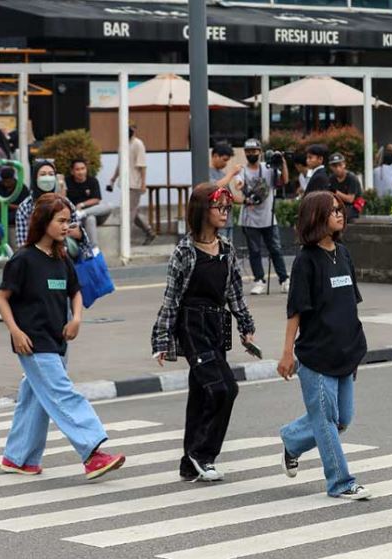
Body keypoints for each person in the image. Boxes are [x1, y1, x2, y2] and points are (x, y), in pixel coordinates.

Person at [0, 192, 126, 480]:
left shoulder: (61, 257)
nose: (66, 226)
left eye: (69, 221)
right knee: (62, 394)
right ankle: (92, 452)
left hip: (58, 342)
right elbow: (2, 298)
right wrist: (15, 331)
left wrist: (77, 318)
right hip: (32, 343)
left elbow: (75, 291)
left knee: (36, 398)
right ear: (44, 222)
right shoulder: (23, 259)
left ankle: (17, 458)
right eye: (61, 221)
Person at [152, 183, 258, 482]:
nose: (225, 214)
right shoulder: (184, 252)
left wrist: (246, 327)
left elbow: (235, 293)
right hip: (191, 325)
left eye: (228, 208)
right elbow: (171, 299)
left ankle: (189, 464)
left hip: (216, 324)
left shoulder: (226, 249)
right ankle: (203, 454)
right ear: (201, 210)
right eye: (219, 207)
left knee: (201, 394)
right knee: (223, 388)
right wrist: (161, 340)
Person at [277, 191, 370, 500]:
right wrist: (287, 352)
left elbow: (349, 303)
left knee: (342, 419)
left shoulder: (342, 253)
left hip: (346, 351)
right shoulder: (306, 261)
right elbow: (296, 311)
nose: (340, 215)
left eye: (340, 209)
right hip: (316, 356)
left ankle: (292, 440)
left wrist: (356, 349)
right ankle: (340, 482)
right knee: (326, 421)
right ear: (317, 217)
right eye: (332, 211)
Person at [234, 138, 290, 296]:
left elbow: (284, 180)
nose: (252, 154)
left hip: (268, 217)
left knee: (276, 250)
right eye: (249, 152)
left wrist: (282, 162)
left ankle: (284, 279)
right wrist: (242, 189)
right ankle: (259, 280)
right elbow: (238, 184)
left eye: (255, 151)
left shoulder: (268, 168)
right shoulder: (242, 170)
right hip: (249, 218)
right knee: (255, 251)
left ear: (260, 152)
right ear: (245, 153)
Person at [16, 161, 86, 249]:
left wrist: (79, 234)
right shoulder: (25, 207)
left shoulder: (64, 202)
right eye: (43, 174)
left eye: (51, 174)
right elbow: (22, 244)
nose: (47, 178)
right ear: (35, 178)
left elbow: (81, 235)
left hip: (64, 254)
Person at [110, 124, 157, 246]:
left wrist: (143, 184)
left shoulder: (138, 144)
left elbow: (142, 166)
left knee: (128, 213)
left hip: (134, 184)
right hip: (125, 183)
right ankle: (149, 232)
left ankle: (124, 242)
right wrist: (113, 179)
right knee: (132, 212)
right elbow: (120, 164)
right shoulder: (123, 145)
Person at [66, 159, 111, 248]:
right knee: (90, 219)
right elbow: (62, 198)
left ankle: (82, 213)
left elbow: (97, 199)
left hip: (94, 213)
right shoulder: (67, 182)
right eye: (77, 169)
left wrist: (82, 205)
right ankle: (94, 249)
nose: (81, 172)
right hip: (78, 219)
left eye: (83, 169)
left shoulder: (92, 181)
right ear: (72, 171)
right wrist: (62, 185)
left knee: (109, 206)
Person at [209, 142, 243, 241]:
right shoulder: (207, 173)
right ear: (215, 156)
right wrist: (232, 172)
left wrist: (246, 200)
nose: (225, 164)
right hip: (217, 223)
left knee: (229, 251)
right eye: (224, 160)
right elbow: (214, 187)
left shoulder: (223, 175)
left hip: (228, 221)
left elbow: (230, 196)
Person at [328, 152, 362, 223]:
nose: (338, 168)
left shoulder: (351, 178)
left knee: (340, 217)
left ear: (344, 164)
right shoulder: (331, 179)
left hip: (353, 207)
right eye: (334, 166)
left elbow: (350, 199)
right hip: (338, 206)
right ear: (331, 167)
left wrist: (335, 192)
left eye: (340, 165)